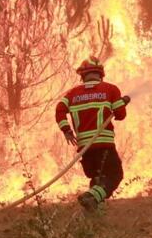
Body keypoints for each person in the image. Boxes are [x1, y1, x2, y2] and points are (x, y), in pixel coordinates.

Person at [55, 58, 130, 212]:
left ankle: (93, 212)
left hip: (85, 148)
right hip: (104, 145)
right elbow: (120, 115)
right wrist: (120, 103)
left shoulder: (72, 94)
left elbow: (59, 109)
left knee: (97, 178)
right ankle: (92, 197)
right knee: (115, 175)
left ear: (82, 75)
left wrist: (66, 130)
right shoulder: (110, 89)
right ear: (101, 73)